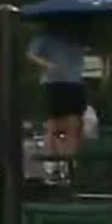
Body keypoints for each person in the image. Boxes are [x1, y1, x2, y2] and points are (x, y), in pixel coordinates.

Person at [27, 23, 86, 158]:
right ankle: (52, 162)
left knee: (74, 124)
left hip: (74, 82)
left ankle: (70, 160)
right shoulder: (45, 36)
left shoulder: (77, 36)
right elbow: (31, 54)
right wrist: (47, 64)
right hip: (54, 82)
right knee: (54, 124)